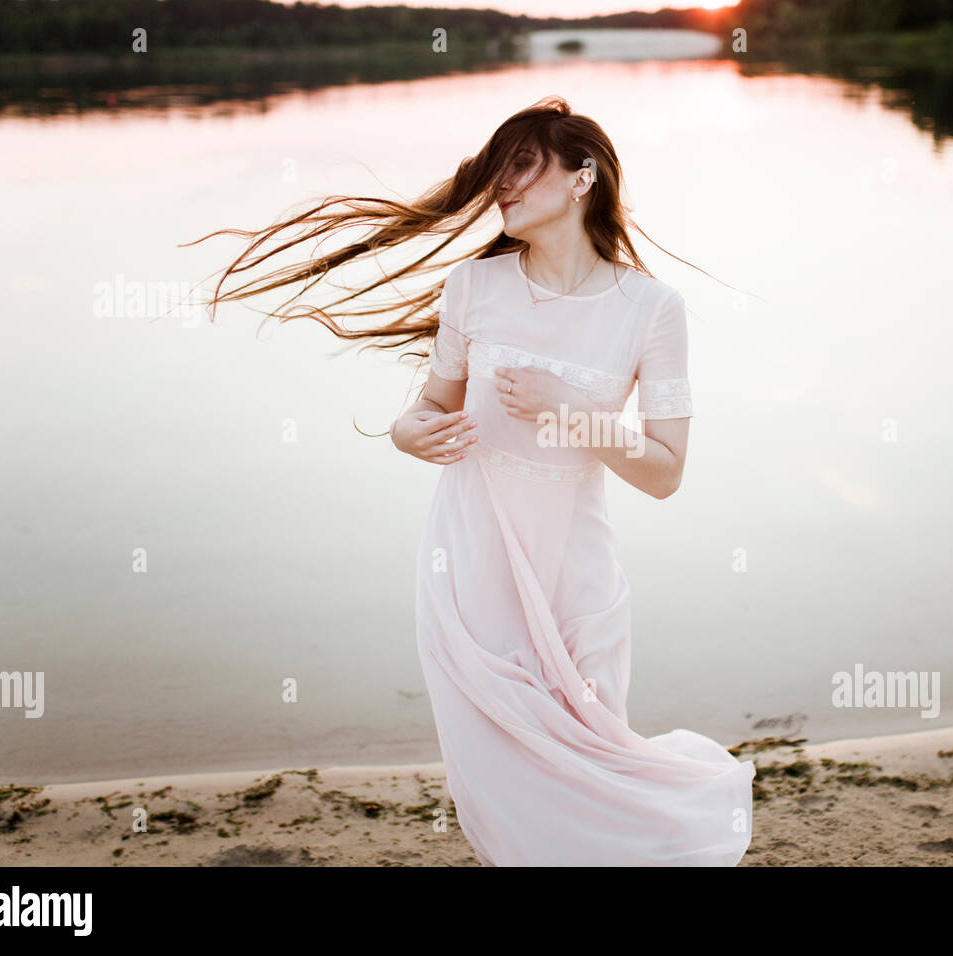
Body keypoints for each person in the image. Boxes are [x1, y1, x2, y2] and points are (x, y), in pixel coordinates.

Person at [198, 95, 754, 866]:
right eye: (499, 171)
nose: (504, 186)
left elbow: (665, 474)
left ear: (583, 177)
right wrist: (406, 434)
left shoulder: (652, 308)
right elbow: (430, 404)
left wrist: (574, 414)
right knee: (502, 769)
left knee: (591, 754)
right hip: (469, 558)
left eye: (523, 167)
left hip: (575, 566)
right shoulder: (475, 287)